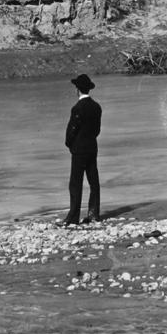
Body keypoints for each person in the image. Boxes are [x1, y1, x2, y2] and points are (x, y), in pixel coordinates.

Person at [63, 73, 102, 225]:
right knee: (94, 181)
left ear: (77, 90)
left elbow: (71, 131)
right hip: (92, 147)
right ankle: (93, 213)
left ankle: (73, 216)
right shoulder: (96, 107)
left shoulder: (77, 108)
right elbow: (97, 130)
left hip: (79, 150)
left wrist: (70, 144)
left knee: (75, 183)